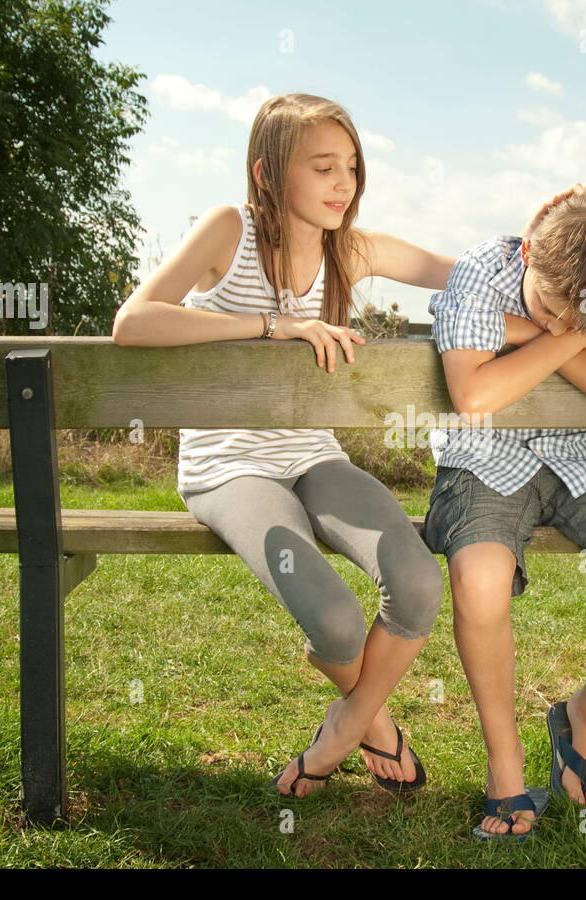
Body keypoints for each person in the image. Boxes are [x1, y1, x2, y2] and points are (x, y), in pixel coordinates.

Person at [113, 93, 454, 797]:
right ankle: (381, 729)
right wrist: (272, 327)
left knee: (419, 582)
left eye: (352, 168)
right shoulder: (227, 230)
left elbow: (462, 272)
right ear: (268, 173)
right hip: (228, 467)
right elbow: (134, 322)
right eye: (323, 167)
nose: (343, 185)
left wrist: (542, 236)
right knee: (335, 620)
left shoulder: (347, 250)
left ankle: (347, 724)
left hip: (313, 456)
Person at [422, 186, 586, 839]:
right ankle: (505, 764)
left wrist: (535, 335)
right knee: (480, 581)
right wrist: (580, 340)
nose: (560, 318)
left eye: (582, 318)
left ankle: (583, 718)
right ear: (528, 250)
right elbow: (475, 393)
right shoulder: (487, 266)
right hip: (486, 458)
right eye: (545, 304)